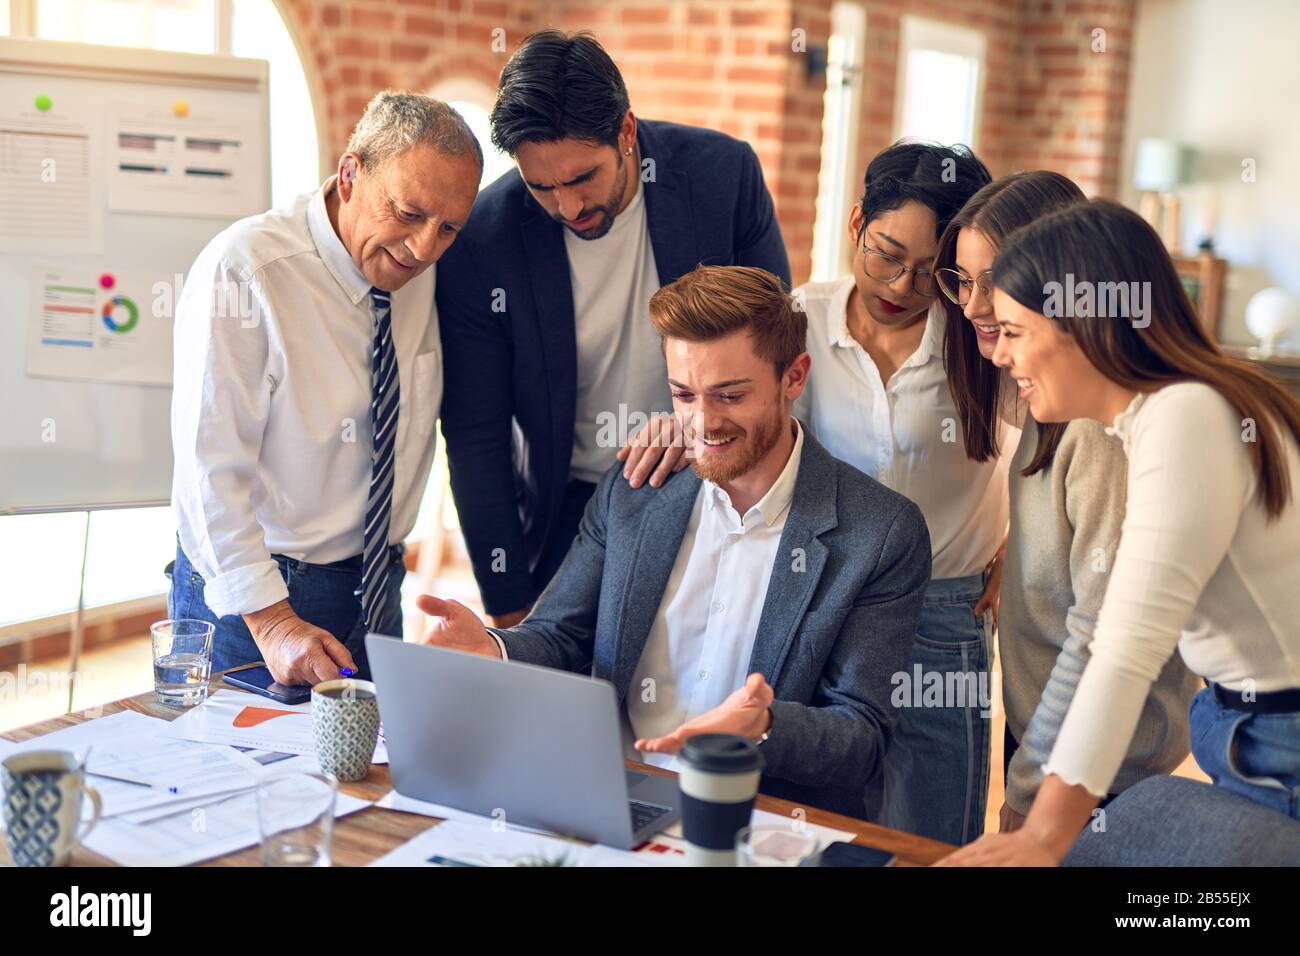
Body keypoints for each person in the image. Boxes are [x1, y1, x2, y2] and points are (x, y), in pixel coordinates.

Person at [418, 265, 931, 818]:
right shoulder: (637, 489)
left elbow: (860, 737)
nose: (702, 422)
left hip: (751, 819)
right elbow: (562, 634)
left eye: (730, 395)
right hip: (607, 798)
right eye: (683, 394)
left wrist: (764, 725)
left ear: (794, 377)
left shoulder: (879, 532)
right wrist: (495, 648)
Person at [622, 142, 1003, 844]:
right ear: (857, 221)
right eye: (887, 254)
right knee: (821, 805)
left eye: (930, 271)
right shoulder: (802, 319)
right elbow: (728, 409)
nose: (903, 283)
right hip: (820, 591)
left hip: (943, 613)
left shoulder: (976, 340)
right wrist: (669, 429)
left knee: (929, 827)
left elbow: (1049, 448)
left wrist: (1019, 543)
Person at [939, 200, 1300, 865]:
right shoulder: (1168, 412)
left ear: (1080, 322)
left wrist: (1043, 835)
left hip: (1280, 736)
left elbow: (1126, 643)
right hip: (1244, 725)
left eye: (1016, 331)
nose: (1003, 354)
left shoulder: (1186, 414)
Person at [436, 31, 791, 629]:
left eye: (583, 178)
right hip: (565, 506)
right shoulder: (486, 239)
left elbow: (774, 344)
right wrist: (507, 608)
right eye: (542, 187)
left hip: (713, 478)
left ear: (626, 133)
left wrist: (694, 424)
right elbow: (477, 433)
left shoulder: (720, 178)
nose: (568, 208)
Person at [169, 92, 482, 685]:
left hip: (377, 584)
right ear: (349, 174)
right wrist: (273, 622)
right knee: (239, 777)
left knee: (375, 775)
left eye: (448, 229)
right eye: (408, 213)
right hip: (257, 595)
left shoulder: (424, 271)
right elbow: (207, 475)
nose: (422, 249)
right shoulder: (245, 272)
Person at [935, 171, 1199, 834]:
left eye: (993, 280)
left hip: (1098, 762)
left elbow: (1101, 637)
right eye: (962, 280)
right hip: (1053, 738)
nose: (972, 306)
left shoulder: (1098, 426)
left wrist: (1026, 796)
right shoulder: (1044, 399)